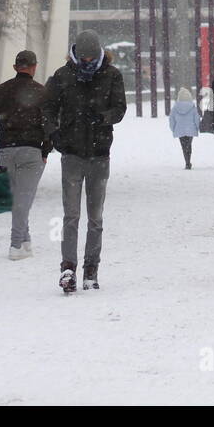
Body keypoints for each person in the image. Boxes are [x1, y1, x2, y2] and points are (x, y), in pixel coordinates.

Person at [43, 30, 127, 293]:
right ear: (75, 53)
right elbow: (47, 109)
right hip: (72, 153)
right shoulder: (62, 76)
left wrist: (102, 118)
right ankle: (68, 267)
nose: (87, 61)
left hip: (100, 153)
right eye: (83, 56)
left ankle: (91, 268)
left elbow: (120, 109)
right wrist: (54, 133)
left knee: (95, 217)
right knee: (70, 216)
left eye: (91, 56)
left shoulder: (112, 75)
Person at [0, 49, 52, 260]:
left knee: (18, 198)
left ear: (15, 67)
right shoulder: (42, 92)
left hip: (6, 150)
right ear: (34, 67)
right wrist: (45, 149)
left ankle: (26, 242)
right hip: (32, 150)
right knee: (23, 199)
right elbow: (50, 125)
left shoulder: (0, 91)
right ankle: (16, 244)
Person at [168, 87, 200, 169]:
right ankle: (188, 160)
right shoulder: (193, 107)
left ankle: (187, 162)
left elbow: (171, 119)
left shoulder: (175, 107)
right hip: (191, 129)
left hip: (180, 130)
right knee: (189, 145)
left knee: (183, 146)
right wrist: (197, 127)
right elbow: (196, 118)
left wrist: (173, 129)